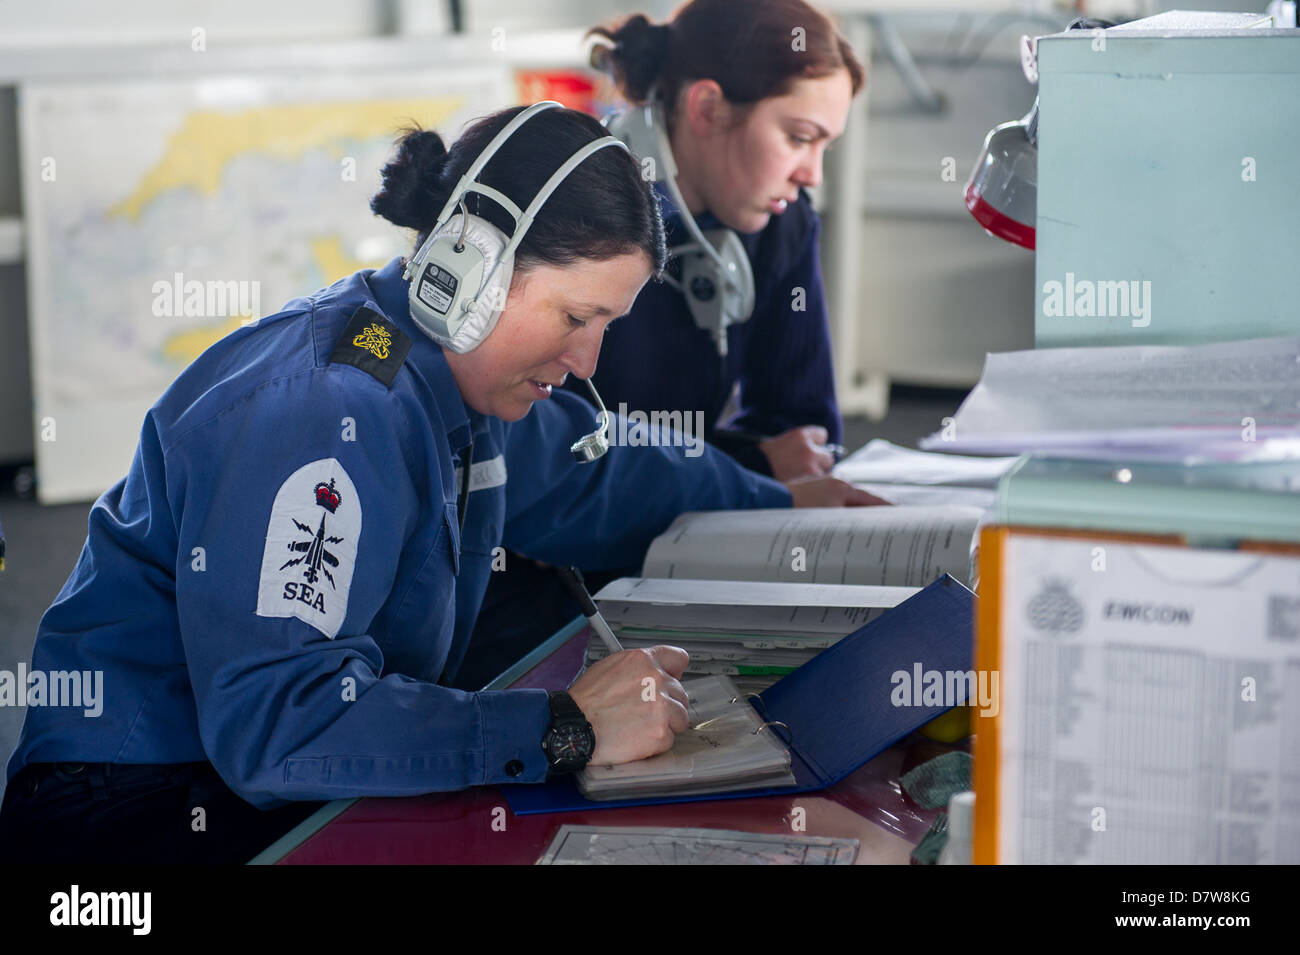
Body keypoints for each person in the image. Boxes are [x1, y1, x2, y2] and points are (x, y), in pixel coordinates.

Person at [0, 103, 873, 864]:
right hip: (129, 808)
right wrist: (560, 726)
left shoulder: (457, 379)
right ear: (472, 267)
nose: (585, 362)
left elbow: (606, 471)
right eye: (576, 317)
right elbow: (281, 723)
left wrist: (780, 503)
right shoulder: (327, 417)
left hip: (246, 773)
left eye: (605, 323)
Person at [459, 0, 871, 688]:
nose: (813, 174)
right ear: (707, 108)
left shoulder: (781, 220)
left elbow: (803, 434)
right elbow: (551, 470)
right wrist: (750, 461)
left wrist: (750, 466)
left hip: (694, 550)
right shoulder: (575, 223)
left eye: (826, 145)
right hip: (538, 608)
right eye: (800, 137)